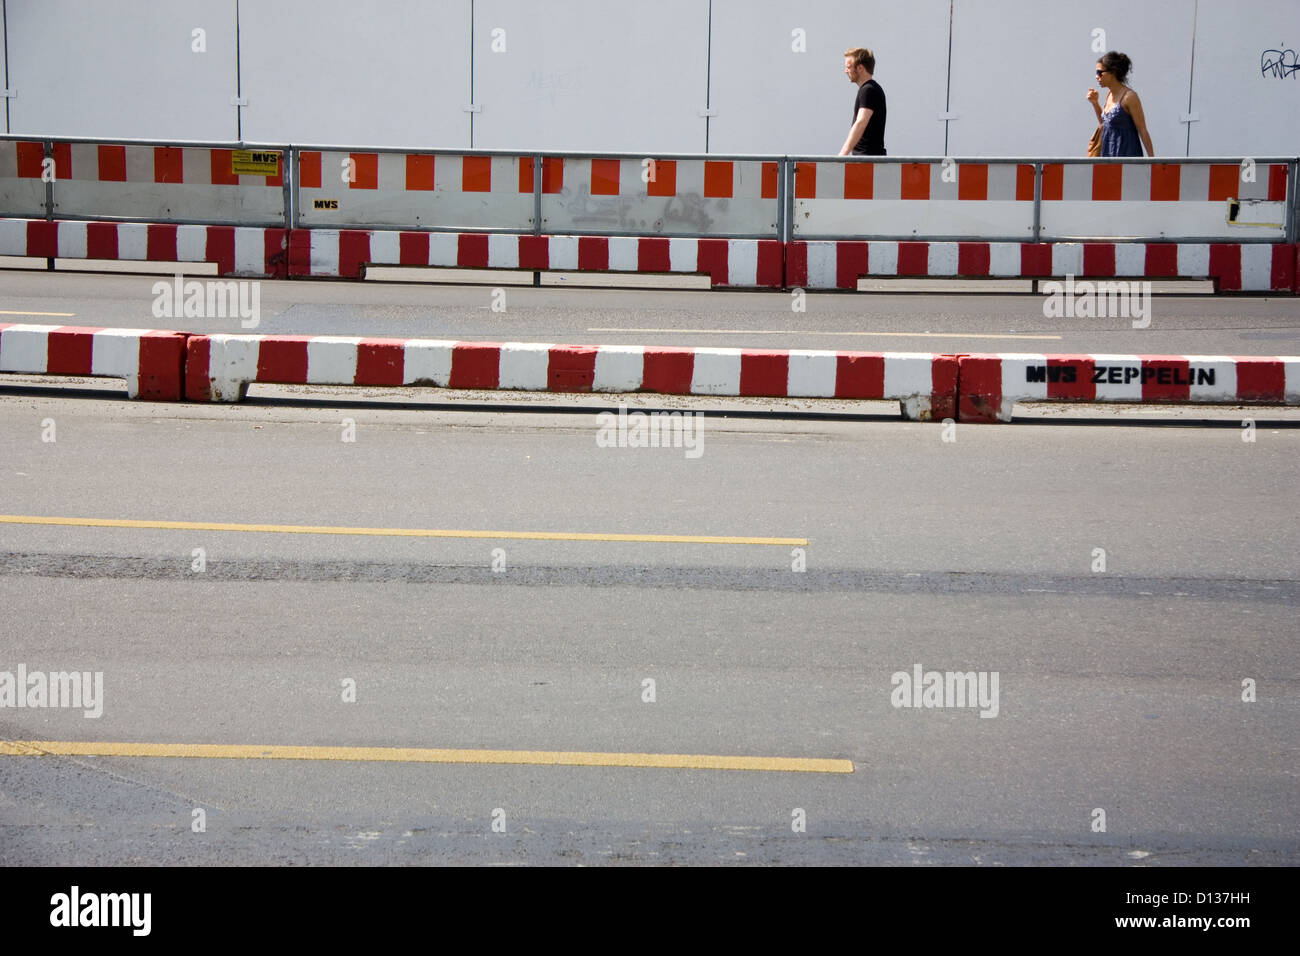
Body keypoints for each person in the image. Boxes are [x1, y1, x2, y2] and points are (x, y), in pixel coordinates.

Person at [1086, 51, 1154, 157]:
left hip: (1126, 156)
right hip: (1108, 154)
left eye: (1099, 73)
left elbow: (1142, 130)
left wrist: (1152, 160)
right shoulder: (1109, 94)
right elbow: (1106, 124)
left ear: (1113, 72)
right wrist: (1095, 103)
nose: (1096, 76)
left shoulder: (1129, 97)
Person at [839, 47, 886, 156]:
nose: (846, 71)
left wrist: (843, 153)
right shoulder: (870, 89)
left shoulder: (868, 90)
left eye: (848, 67)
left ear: (860, 68)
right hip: (868, 158)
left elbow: (861, 122)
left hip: (867, 159)